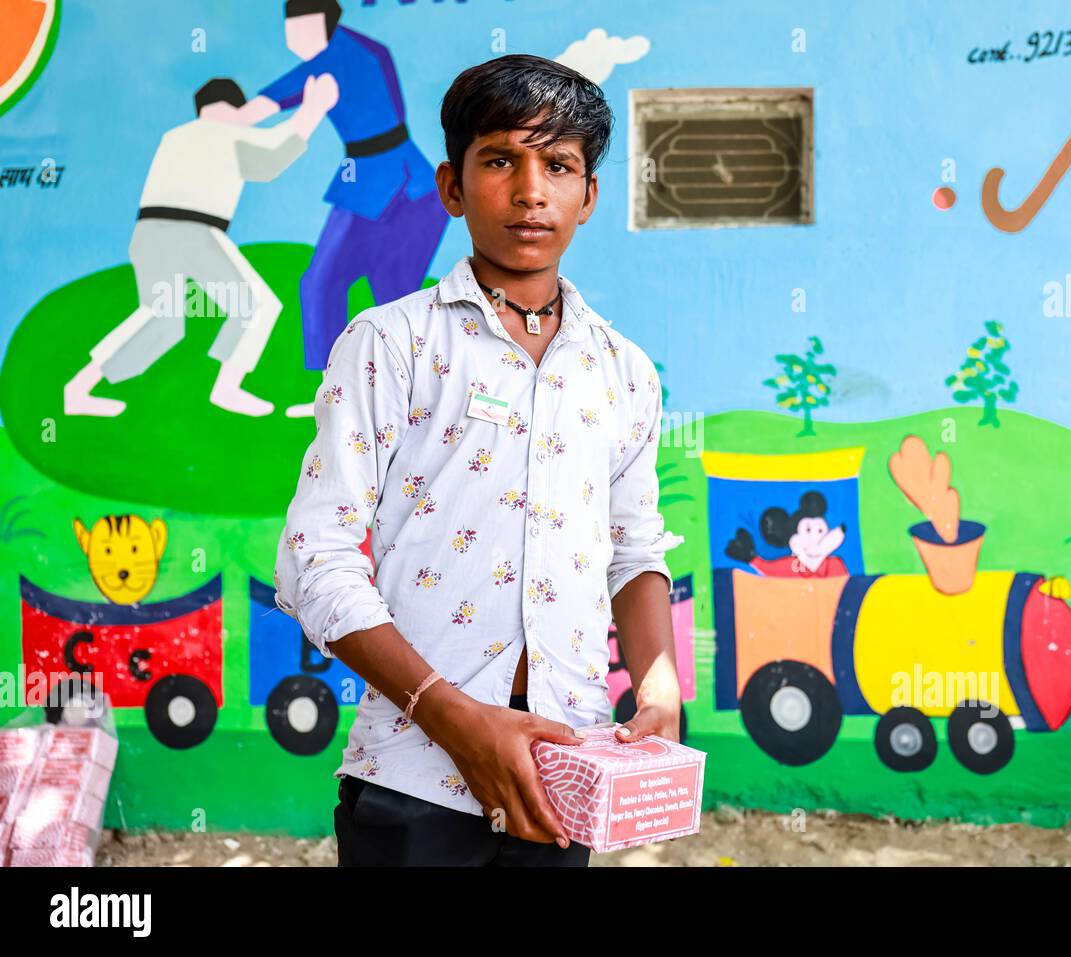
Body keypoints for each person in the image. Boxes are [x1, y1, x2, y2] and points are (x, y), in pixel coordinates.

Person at [272, 54, 682, 866]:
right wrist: (455, 719)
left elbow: (635, 551)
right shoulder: (391, 344)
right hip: (413, 778)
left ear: (589, 195)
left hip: (566, 771)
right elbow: (310, 561)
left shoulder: (625, 371)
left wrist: (659, 681)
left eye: (559, 164)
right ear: (451, 188)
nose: (531, 189)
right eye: (500, 160)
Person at [64, 74, 338, 418]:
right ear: (235, 108)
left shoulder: (177, 135)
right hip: (193, 233)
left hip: (149, 233)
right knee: (255, 305)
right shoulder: (225, 133)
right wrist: (314, 109)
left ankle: (78, 388)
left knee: (161, 319)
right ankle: (227, 387)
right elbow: (272, 158)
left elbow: (260, 144)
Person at [235, 0, 449, 417]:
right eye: (288, 27)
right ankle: (348, 397)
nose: (291, 37)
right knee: (372, 294)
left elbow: (263, 107)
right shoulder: (354, 50)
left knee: (331, 284)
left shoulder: (338, 57)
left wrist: (225, 123)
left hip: (392, 188)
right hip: (403, 188)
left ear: (320, 22)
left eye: (297, 26)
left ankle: (361, 399)